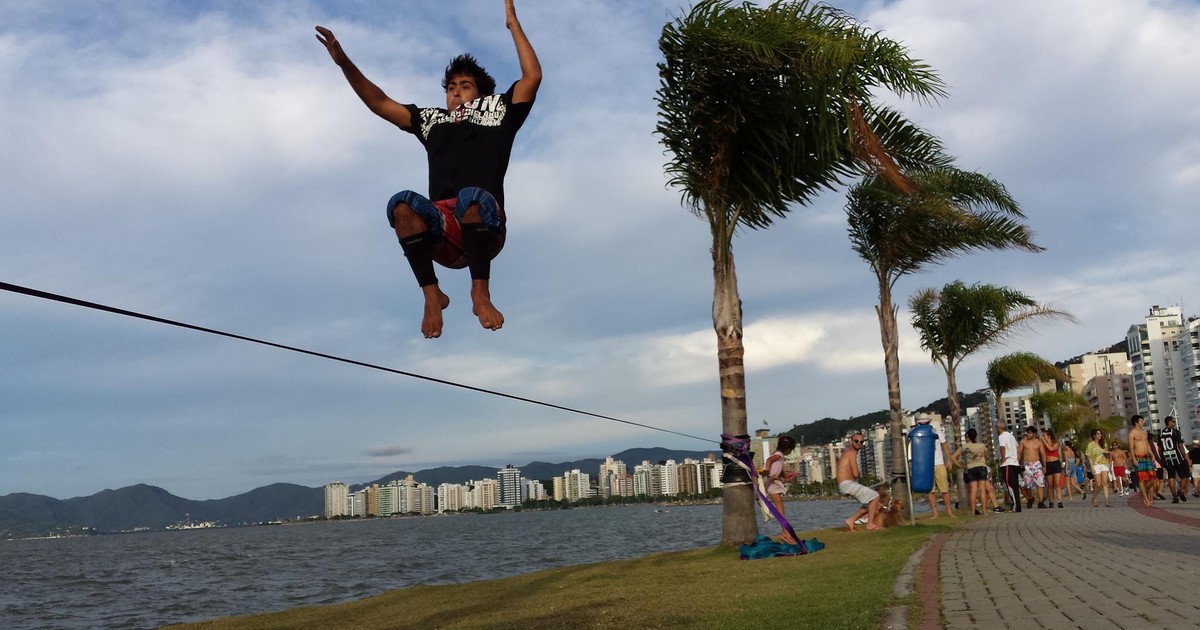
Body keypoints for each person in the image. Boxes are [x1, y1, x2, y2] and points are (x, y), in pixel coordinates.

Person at [315, 0, 542, 338]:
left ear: (480, 93)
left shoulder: (499, 110)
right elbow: (379, 102)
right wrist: (344, 63)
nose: (455, 93)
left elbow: (532, 76)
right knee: (401, 205)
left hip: (484, 222)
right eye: (451, 88)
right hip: (444, 231)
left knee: (471, 197)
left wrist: (512, 24)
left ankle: (480, 292)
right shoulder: (433, 121)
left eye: (464, 86)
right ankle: (432, 294)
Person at [837, 433, 881, 531]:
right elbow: (856, 473)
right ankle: (870, 524)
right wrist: (859, 474)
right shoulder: (851, 453)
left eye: (861, 442)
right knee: (875, 496)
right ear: (851, 442)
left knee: (870, 503)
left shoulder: (847, 453)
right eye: (856, 441)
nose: (859, 443)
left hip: (846, 484)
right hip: (847, 484)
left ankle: (851, 521)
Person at [761, 435, 799, 544]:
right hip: (772, 483)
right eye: (791, 450)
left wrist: (785, 477)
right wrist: (767, 472)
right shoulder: (778, 455)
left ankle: (785, 533)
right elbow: (768, 461)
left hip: (774, 482)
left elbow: (779, 468)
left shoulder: (778, 454)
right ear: (788, 449)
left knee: (781, 508)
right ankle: (785, 533)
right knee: (780, 509)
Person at [952, 428, 992, 516]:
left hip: (971, 468)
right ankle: (984, 510)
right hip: (981, 467)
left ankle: (973, 511)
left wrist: (959, 465)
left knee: (973, 490)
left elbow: (953, 456)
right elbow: (987, 454)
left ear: (968, 437)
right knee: (982, 490)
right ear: (976, 436)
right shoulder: (981, 445)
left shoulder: (965, 447)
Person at [925, 422, 955, 518]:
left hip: (939, 463)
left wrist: (949, 460)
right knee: (930, 490)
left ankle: (949, 511)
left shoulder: (936, 429)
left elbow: (944, 445)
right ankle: (935, 513)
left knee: (945, 489)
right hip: (927, 465)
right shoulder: (919, 432)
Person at [1158, 416, 1190, 503]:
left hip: (1168, 458)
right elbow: (1180, 445)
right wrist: (1185, 456)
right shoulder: (1175, 432)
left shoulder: (1161, 433)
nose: (1175, 423)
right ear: (1169, 422)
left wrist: (1162, 458)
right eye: (1173, 421)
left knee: (1171, 477)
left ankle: (1175, 497)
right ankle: (1180, 489)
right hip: (1178, 457)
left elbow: (1160, 448)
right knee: (1185, 475)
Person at [1129, 414, 1155, 507]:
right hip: (1138, 457)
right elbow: (1131, 447)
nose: (1143, 422)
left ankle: (1142, 492)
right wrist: (1134, 458)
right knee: (1141, 479)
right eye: (1141, 421)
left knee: (1152, 479)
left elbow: (1147, 444)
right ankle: (1146, 499)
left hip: (1147, 456)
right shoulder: (1132, 433)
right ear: (1136, 422)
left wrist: (1152, 454)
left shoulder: (1145, 432)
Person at [1019, 426, 1047, 509]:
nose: (1028, 434)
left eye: (1030, 433)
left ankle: (1041, 502)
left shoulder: (1038, 442)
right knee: (1027, 484)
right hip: (1027, 464)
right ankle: (1030, 498)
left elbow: (1043, 454)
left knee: (1040, 483)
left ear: (1034, 434)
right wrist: (1018, 462)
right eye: (1027, 433)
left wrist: (1044, 465)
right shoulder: (1023, 441)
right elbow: (1019, 452)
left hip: (1037, 464)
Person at [1085, 429, 1113, 508]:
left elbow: (1106, 454)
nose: (1099, 435)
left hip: (1104, 464)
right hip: (1095, 464)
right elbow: (1089, 456)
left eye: (1100, 434)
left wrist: (1108, 459)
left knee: (1104, 482)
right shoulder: (1090, 445)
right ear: (1094, 435)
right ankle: (1094, 497)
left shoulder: (1104, 444)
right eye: (1098, 434)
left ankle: (1107, 501)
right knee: (1098, 484)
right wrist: (1091, 466)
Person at [998, 424, 1022, 512]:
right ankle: (1016, 505)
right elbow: (1018, 446)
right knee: (1015, 485)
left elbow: (1002, 447)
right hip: (1014, 463)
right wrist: (1017, 458)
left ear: (999, 428)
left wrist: (1003, 458)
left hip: (1008, 463)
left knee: (1010, 485)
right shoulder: (1011, 436)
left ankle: (1016, 506)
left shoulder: (1002, 436)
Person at [1041, 429, 1064, 508]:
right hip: (1048, 464)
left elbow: (1051, 449)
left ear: (1049, 436)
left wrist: (1044, 441)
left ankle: (1059, 501)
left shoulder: (1056, 444)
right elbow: (1043, 455)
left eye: (1044, 436)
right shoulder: (1043, 445)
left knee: (1057, 484)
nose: (1043, 437)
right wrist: (1044, 466)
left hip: (1055, 463)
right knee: (1050, 485)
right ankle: (1051, 501)